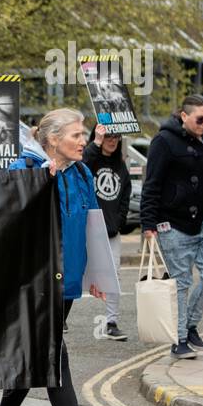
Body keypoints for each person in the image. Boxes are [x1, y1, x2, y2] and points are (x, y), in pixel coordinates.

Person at [0, 108, 117, 406]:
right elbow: (3, 219)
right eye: (76, 135)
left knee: (35, 353)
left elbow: (92, 225)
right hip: (33, 280)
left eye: (82, 135)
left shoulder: (81, 173)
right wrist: (37, 187)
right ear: (52, 139)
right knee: (52, 351)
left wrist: (97, 275)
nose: (83, 141)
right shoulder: (25, 169)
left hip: (68, 280)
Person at [140, 94, 203, 359]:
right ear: (184, 116)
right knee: (181, 283)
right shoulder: (164, 140)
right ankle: (179, 340)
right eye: (200, 119)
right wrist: (148, 224)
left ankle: (190, 325)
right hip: (173, 223)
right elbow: (152, 184)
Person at [83, 123, 132, 341]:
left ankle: (111, 322)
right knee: (73, 272)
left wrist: (119, 222)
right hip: (86, 227)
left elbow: (125, 195)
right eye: (108, 136)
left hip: (111, 231)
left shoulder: (120, 165)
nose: (112, 140)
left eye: (116, 136)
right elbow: (81, 164)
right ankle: (61, 316)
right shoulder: (90, 159)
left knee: (114, 275)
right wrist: (96, 142)